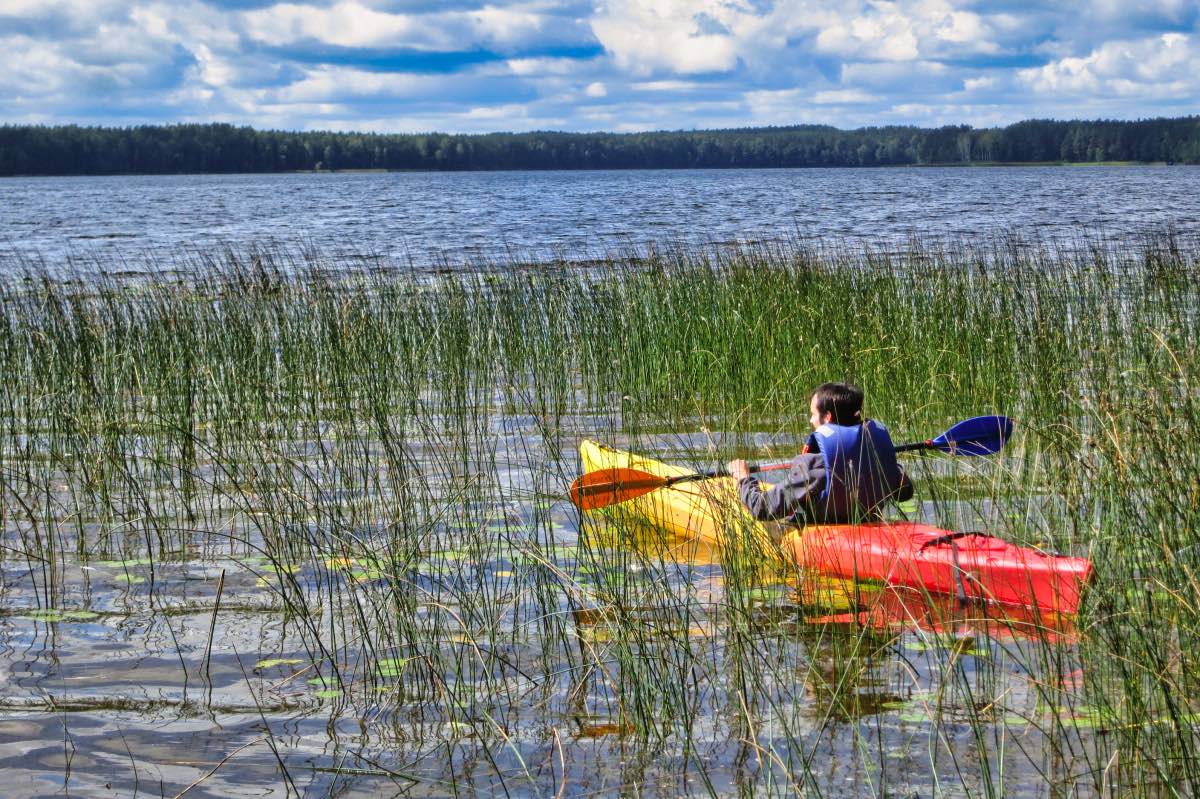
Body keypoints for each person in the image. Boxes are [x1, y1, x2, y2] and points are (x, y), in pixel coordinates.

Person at [728, 382, 913, 526]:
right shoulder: (879, 456)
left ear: (828, 417)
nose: (811, 420)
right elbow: (905, 492)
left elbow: (761, 508)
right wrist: (884, 459)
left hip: (827, 538)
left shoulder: (813, 466)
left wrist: (744, 478)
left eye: (813, 414)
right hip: (869, 527)